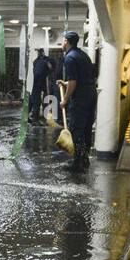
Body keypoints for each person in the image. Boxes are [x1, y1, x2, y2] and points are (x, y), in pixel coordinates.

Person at [60, 31, 98, 172]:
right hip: (91, 94)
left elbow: (74, 81)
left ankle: (77, 163)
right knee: (87, 128)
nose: (62, 43)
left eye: (63, 41)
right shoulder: (83, 55)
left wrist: (65, 99)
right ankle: (85, 159)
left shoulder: (69, 58)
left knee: (76, 129)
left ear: (67, 41)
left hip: (81, 98)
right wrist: (65, 83)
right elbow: (81, 78)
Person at [29, 48, 51, 121]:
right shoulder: (38, 61)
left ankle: (37, 116)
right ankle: (36, 116)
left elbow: (50, 68)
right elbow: (50, 68)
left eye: (39, 52)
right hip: (38, 83)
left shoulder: (41, 61)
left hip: (40, 82)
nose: (38, 53)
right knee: (37, 100)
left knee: (38, 100)